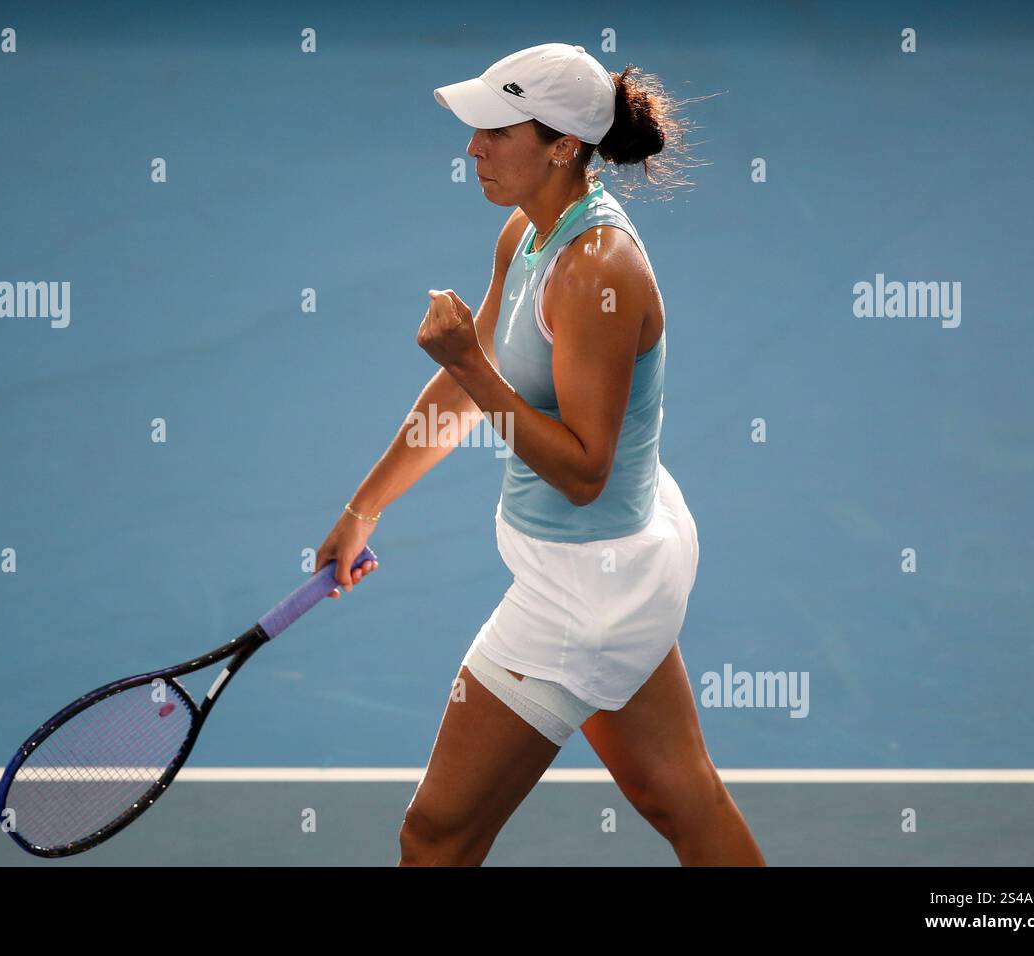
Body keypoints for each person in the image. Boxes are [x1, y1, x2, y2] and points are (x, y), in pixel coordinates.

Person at [313, 42, 765, 867]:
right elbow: (459, 397)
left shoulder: (600, 271)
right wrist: (363, 509)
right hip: (612, 570)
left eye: (495, 130)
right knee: (683, 800)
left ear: (562, 144)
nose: (472, 147)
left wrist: (470, 366)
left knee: (435, 836)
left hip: (582, 594)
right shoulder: (525, 234)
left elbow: (584, 471)